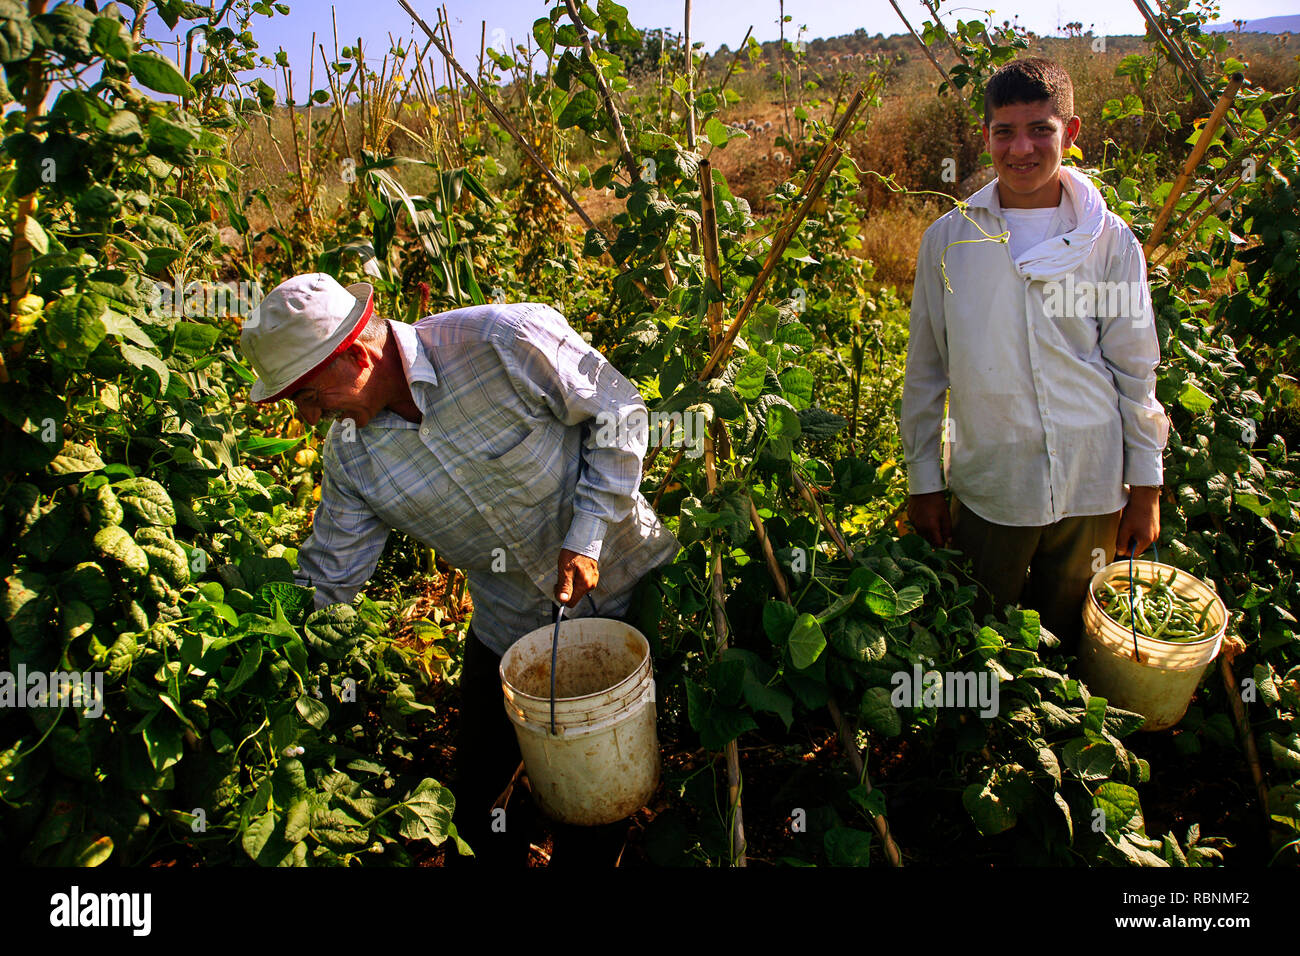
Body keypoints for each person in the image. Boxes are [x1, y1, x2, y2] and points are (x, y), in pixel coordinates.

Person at [239, 273, 679, 864]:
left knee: (597, 796)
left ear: (354, 353)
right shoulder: (352, 458)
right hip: (510, 626)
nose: (312, 417)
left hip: (629, 591)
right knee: (478, 808)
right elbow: (328, 577)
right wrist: (255, 637)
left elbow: (620, 412)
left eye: (311, 396)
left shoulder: (502, 341)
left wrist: (587, 535)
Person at [901, 57, 1169, 650]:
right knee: (980, 637)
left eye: (1040, 130)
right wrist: (923, 482)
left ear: (1069, 133)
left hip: (1092, 483)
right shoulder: (950, 241)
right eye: (1004, 132)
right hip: (994, 483)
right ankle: (986, 740)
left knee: (1070, 638)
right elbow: (926, 369)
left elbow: (1133, 367)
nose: (1021, 148)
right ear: (987, 136)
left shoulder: (1108, 239)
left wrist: (1145, 488)